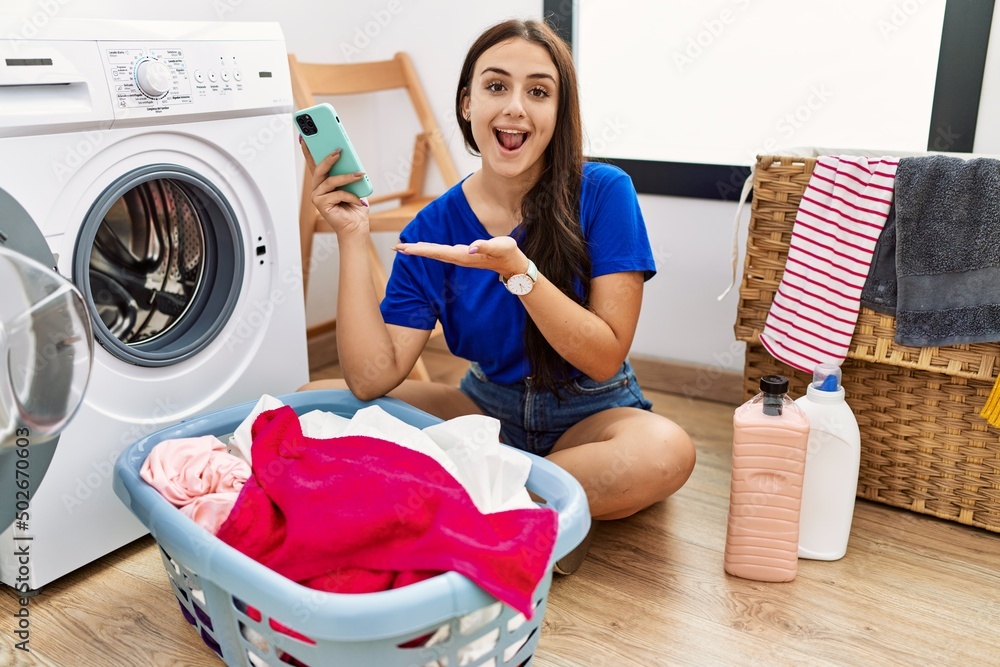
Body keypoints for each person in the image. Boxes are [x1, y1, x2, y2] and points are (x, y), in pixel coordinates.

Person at [299, 18, 696, 571]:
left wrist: (520, 273)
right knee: (315, 402)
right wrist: (350, 235)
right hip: (487, 410)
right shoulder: (432, 227)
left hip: (591, 412)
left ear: (559, 114)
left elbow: (604, 356)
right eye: (495, 86)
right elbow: (372, 377)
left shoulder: (605, 192)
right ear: (467, 104)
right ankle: (537, 509)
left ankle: (466, 507)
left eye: (538, 91)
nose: (514, 107)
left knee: (667, 452)